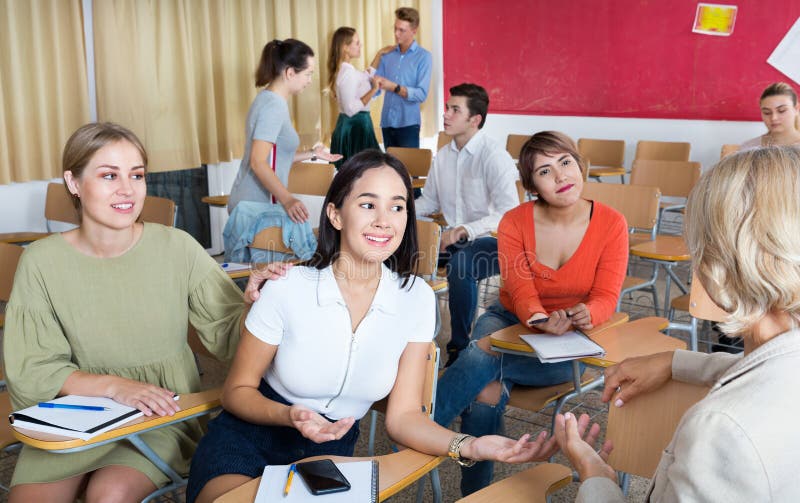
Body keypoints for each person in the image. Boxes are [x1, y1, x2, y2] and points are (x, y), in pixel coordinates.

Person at [186, 150, 560, 503]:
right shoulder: (287, 286)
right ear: (335, 215)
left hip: (328, 454)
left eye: (397, 207)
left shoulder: (415, 299)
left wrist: (471, 445)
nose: (384, 220)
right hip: (249, 437)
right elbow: (236, 390)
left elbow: (404, 418)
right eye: (368, 205)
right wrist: (289, 415)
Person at [2, 122, 271, 503]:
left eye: (137, 175)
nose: (127, 189)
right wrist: (115, 387)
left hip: (159, 412)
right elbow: (33, 368)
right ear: (73, 182)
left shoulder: (177, 247)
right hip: (75, 411)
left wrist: (262, 306)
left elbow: (229, 334)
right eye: (109, 175)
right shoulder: (42, 262)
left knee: (108, 496)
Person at [555, 146, 800, 502]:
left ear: (720, 259)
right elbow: (770, 372)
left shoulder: (721, 433)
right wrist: (673, 361)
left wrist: (596, 477)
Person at [434, 131, 629, 496]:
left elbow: (606, 296)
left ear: (579, 163)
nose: (560, 176)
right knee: (485, 392)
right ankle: (474, 494)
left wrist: (588, 312)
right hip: (509, 319)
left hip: (572, 339)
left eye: (565, 163)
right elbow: (520, 291)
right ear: (531, 184)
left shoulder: (612, 223)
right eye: (545, 171)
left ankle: (422, 436)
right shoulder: (515, 221)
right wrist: (539, 320)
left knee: (483, 356)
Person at [415, 83, 519, 366]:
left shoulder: (493, 156)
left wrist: (465, 229)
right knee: (401, 254)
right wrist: (396, 213)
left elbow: (509, 212)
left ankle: (460, 349)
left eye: (454, 109)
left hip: (497, 240)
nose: (446, 114)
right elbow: (428, 202)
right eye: (447, 108)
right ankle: (407, 339)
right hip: (454, 239)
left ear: (475, 120)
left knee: (461, 264)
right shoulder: (444, 157)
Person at [227, 39, 341, 222]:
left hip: (251, 202)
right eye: (308, 74)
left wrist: (313, 154)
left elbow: (275, 156)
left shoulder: (267, 99)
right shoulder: (274, 106)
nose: (310, 81)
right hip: (255, 204)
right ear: (290, 73)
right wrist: (288, 200)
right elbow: (258, 161)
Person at [373, 7, 432, 148]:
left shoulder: (424, 57)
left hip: (408, 124)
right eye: (395, 28)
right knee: (390, 169)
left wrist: (394, 87)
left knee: (408, 168)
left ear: (414, 31)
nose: (396, 34)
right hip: (387, 122)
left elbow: (421, 94)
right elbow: (374, 89)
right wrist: (379, 54)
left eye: (401, 30)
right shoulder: (387, 55)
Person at [327, 27, 382, 168]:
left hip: (357, 126)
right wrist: (374, 89)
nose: (360, 46)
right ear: (345, 47)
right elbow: (350, 109)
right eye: (357, 43)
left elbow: (367, 75)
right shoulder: (348, 73)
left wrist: (380, 54)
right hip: (355, 128)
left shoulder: (349, 71)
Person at [740, 82, 800, 149]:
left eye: (781, 110)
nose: (774, 118)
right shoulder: (749, 148)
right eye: (767, 112)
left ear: (796, 108)